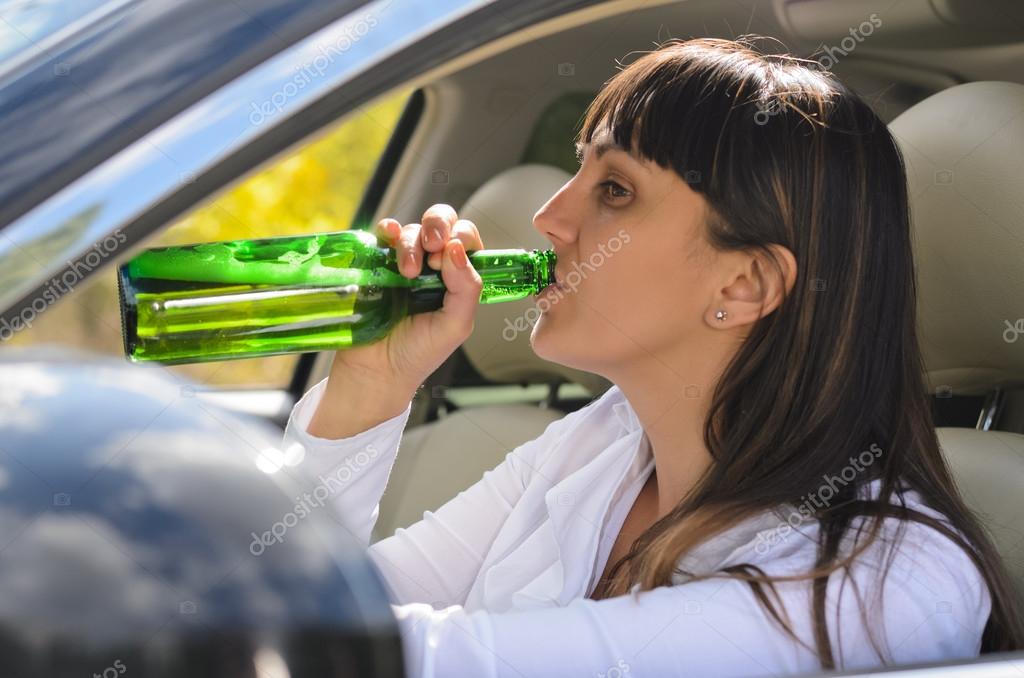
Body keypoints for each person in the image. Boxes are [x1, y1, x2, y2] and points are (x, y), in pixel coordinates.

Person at [283, 37, 1022, 677]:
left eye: (614, 189)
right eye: (580, 170)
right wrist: (374, 381)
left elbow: (354, 657)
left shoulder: (881, 583)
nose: (550, 216)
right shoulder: (601, 441)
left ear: (745, 282)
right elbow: (327, 607)